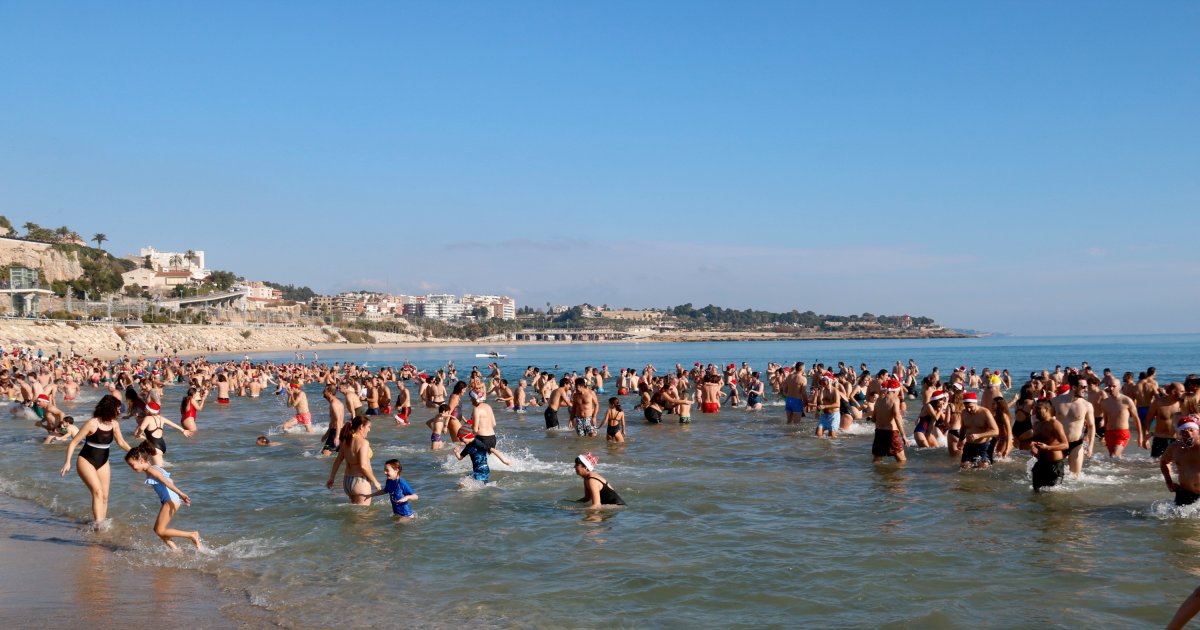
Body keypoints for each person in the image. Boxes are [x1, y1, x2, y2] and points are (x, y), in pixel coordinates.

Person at [59, 395, 132, 524]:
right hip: (86, 460)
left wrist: (135, 453)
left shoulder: (114, 424)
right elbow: (73, 443)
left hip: (103, 461)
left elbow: (121, 442)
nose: (119, 411)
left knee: (104, 497)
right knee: (97, 492)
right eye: (118, 408)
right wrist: (67, 462)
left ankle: (101, 523)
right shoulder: (92, 423)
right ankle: (99, 526)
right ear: (110, 408)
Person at [124, 441, 200, 549]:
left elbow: (166, 482)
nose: (132, 468)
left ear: (141, 460)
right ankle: (175, 549)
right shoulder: (155, 468)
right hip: (171, 499)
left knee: (160, 530)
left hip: (170, 500)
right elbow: (171, 480)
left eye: (132, 465)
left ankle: (191, 535)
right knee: (159, 530)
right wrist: (176, 497)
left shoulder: (151, 471)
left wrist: (181, 494)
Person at [325, 416, 381, 505]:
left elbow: (337, 461)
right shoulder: (363, 442)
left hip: (347, 482)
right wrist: (375, 481)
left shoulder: (346, 441)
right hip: (360, 482)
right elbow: (363, 466)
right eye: (368, 427)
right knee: (364, 517)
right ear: (361, 426)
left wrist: (332, 478)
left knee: (354, 517)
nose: (369, 430)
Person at [1018, 399, 1069, 491]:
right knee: (1035, 492)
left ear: (1046, 409)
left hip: (1055, 465)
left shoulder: (1055, 424)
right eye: (1034, 408)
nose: (1035, 410)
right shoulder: (1037, 424)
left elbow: (1065, 445)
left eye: (1038, 408)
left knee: (1052, 496)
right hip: (1041, 463)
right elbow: (1034, 441)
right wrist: (1031, 446)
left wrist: (1048, 447)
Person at [133, 401, 192, 467]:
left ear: (148, 410)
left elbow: (141, 428)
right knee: (151, 465)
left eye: (146, 409)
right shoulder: (161, 418)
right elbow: (173, 424)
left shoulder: (148, 418)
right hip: (161, 445)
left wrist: (138, 435)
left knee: (159, 469)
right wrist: (183, 430)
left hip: (154, 447)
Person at [1098, 380, 1143, 458]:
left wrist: (1140, 436)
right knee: (1114, 457)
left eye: (1113, 386)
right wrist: (1105, 434)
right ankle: (1121, 469)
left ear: (1120, 387)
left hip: (1122, 433)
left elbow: (1136, 419)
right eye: (1109, 386)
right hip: (1109, 433)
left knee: (1113, 456)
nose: (1111, 388)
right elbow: (1106, 419)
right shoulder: (1105, 402)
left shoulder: (1127, 401)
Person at [1161, 419, 1200, 507]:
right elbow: (1164, 462)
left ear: (1198, 431)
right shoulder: (1174, 448)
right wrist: (1169, 482)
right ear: (1180, 434)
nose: (1189, 434)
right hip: (1184, 492)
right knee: (1177, 520)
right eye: (1184, 431)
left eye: (1191, 430)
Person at [959, 392, 999, 469]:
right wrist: (960, 440)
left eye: (970, 407)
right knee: (964, 467)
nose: (968, 409)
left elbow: (996, 431)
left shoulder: (985, 412)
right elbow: (963, 428)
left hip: (984, 445)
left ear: (975, 403)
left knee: (983, 467)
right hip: (969, 445)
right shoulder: (964, 413)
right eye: (966, 407)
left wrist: (979, 435)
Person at [871, 380, 907, 464]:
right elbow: (897, 418)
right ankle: (896, 477)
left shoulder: (879, 400)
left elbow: (873, 419)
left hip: (879, 432)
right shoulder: (895, 400)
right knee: (902, 460)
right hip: (891, 433)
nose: (898, 393)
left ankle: (876, 476)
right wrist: (903, 435)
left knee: (877, 460)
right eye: (898, 391)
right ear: (895, 390)